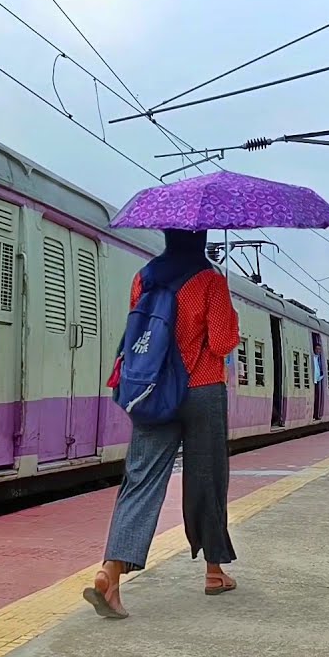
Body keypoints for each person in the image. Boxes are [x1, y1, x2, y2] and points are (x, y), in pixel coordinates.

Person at [85, 229, 241, 619]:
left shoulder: (144, 277)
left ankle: (112, 571)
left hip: (153, 390)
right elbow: (222, 343)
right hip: (201, 388)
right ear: (201, 239)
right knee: (207, 478)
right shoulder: (209, 280)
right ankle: (213, 571)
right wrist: (228, 313)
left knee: (140, 479)